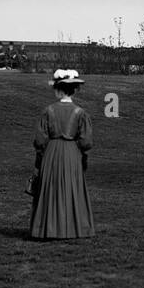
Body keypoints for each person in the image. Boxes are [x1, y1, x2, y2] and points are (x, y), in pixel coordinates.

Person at [29, 69, 95, 241]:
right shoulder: (80, 113)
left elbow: (40, 140)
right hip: (72, 154)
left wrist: (40, 157)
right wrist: (79, 150)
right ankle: (73, 229)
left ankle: (47, 229)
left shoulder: (48, 111)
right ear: (73, 90)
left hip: (51, 153)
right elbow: (86, 141)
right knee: (71, 188)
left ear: (58, 89)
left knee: (50, 188)